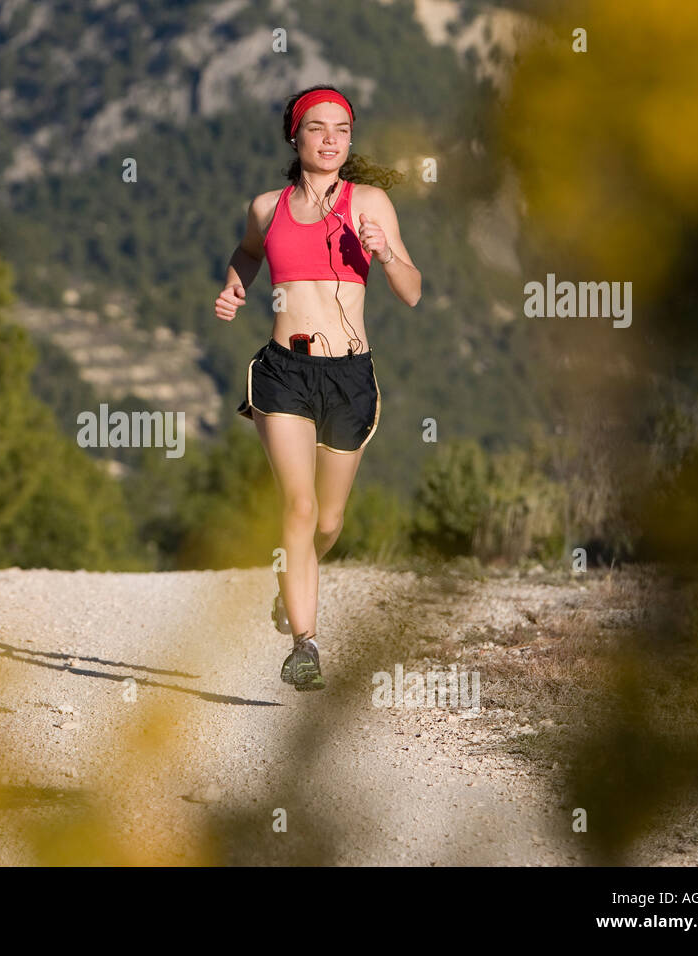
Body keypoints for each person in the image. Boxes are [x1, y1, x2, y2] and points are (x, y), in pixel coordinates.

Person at [216, 85, 422, 690]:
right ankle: (305, 642)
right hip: (283, 372)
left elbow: (411, 292)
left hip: (350, 375)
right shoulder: (266, 207)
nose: (331, 139)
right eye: (317, 128)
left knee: (327, 521)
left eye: (342, 130)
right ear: (295, 136)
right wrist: (235, 286)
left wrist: (384, 255)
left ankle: (292, 583)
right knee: (299, 507)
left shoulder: (371, 203)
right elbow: (248, 251)